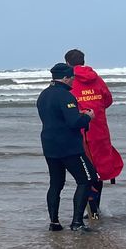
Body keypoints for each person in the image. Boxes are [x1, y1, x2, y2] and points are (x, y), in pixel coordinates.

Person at [37, 62, 96, 231]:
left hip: (49, 145)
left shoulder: (43, 95)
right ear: (65, 78)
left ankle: (54, 223)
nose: (73, 82)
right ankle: (77, 222)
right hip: (68, 146)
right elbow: (74, 122)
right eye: (72, 78)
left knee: (56, 183)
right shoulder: (65, 96)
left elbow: (57, 117)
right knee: (88, 178)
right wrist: (88, 117)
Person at [65, 48, 124, 218]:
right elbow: (108, 99)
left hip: (80, 133)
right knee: (99, 170)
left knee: (86, 172)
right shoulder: (97, 79)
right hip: (100, 131)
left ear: (68, 63)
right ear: (83, 61)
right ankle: (95, 209)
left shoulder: (69, 81)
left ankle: (91, 210)